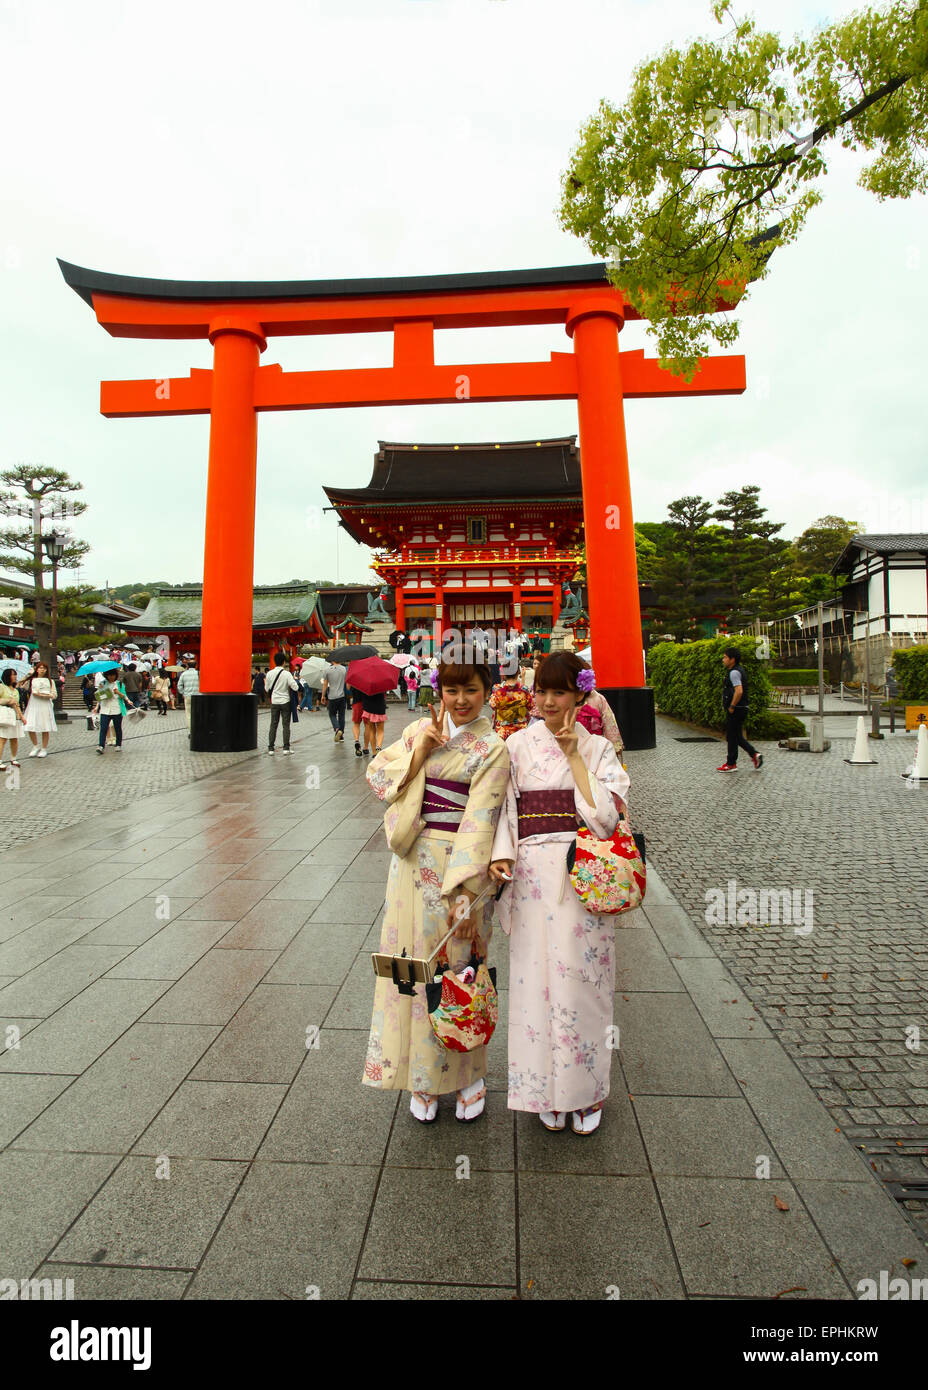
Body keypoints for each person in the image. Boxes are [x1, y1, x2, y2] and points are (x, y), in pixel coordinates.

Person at [488, 652, 631, 1136]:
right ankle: (541, 1089)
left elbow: (607, 820)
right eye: (542, 692)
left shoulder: (597, 750)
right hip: (529, 876)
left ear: (579, 695)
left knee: (581, 982)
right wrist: (502, 856)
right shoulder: (516, 746)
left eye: (560, 692)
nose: (548, 701)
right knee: (534, 986)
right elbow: (505, 810)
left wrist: (574, 755)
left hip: (580, 873)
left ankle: (585, 1091)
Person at [363, 659, 510, 1123]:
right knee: (411, 967)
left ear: (487, 690)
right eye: (451, 690)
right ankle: (420, 1076)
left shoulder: (492, 748)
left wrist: (466, 892)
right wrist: (420, 751)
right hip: (410, 862)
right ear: (439, 692)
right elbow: (378, 777)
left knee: (459, 968)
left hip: (459, 866)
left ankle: (468, 1075)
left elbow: (482, 817)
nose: (461, 699)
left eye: (470, 689)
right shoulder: (418, 732)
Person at [718, 646, 763, 773]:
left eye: (725, 657)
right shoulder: (738, 670)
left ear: (732, 659)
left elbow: (739, 691)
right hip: (740, 708)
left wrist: (732, 706)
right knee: (736, 736)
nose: (723, 659)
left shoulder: (734, 672)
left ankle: (731, 763)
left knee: (732, 737)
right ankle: (754, 755)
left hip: (737, 708)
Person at [265, 652, 299, 755]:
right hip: (285, 701)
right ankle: (286, 748)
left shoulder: (269, 673)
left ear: (274, 661)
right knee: (286, 725)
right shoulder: (287, 674)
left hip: (275, 701)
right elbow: (295, 687)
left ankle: (271, 748)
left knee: (273, 724)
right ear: (284, 662)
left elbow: (267, 689)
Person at [23, 660, 57, 757]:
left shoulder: (51, 681)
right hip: (34, 704)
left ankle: (44, 748)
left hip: (45, 704)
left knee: (45, 727)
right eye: (40, 668)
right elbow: (22, 686)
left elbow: (54, 695)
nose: (42, 670)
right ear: (36, 669)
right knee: (30, 725)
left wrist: (45, 695)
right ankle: (35, 746)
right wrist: (27, 676)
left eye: (44, 668)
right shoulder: (32, 680)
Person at [489, 667, 530, 741]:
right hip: (520, 729)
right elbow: (530, 706)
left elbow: (492, 705)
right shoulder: (524, 689)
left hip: (503, 729)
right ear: (518, 673)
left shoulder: (497, 688)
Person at [95, 667, 128, 753]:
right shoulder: (102, 683)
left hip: (116, 708)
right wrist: (102, 690)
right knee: (103, 728)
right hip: (105, 708)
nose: (111, 677)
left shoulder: (120, 684)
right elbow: (99, 697)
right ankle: (101, 746)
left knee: (117, 728)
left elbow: (124, 696)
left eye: (113, 675)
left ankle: (118, 744)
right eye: (109, 675)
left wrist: (118, 692)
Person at [0, 668, 25, 770]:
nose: (15, 677)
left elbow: (17, 704)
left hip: (14, 716)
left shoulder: (16, 690)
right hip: (5, 715)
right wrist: (7, 701)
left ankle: (13, 758)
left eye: (15, 675)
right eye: (12, 675)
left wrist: (21, 716)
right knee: (2, 739)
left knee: (14, 738)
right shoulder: (2, 687)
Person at [321, 659, 347, 742]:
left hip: (332, 696)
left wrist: (323, 695)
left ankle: (336, 728)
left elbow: (325, 684)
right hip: (342, 695)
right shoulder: (344, 669)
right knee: (341, 715)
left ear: (332, 661)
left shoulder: (327, 670)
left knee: (332, 714)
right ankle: (341, 735)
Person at [361, 687, 388, 756]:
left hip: (368, 706)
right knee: (380, 730)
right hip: (380, 706)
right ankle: (378, 747)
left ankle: (374, 752)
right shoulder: (382, 681)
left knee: (372, 731)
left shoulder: (365, 681)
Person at [177, 662, 200, 729]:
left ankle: (191, 729)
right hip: (197, 695)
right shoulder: (199, 673)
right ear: (196, 666)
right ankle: (197, 727)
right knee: (197, 713)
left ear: (187, 666)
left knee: (188, 713)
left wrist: (183, 692)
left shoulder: (184, 674)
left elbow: (179, 685)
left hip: (188, 695)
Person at [349, 683, 365, 756]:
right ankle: (366, 747)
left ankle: (356, 740)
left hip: (356, 703)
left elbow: (348, 688)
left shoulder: (353, 675)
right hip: (366, 703)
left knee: (356, 724)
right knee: (367, 725)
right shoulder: (368, 674)